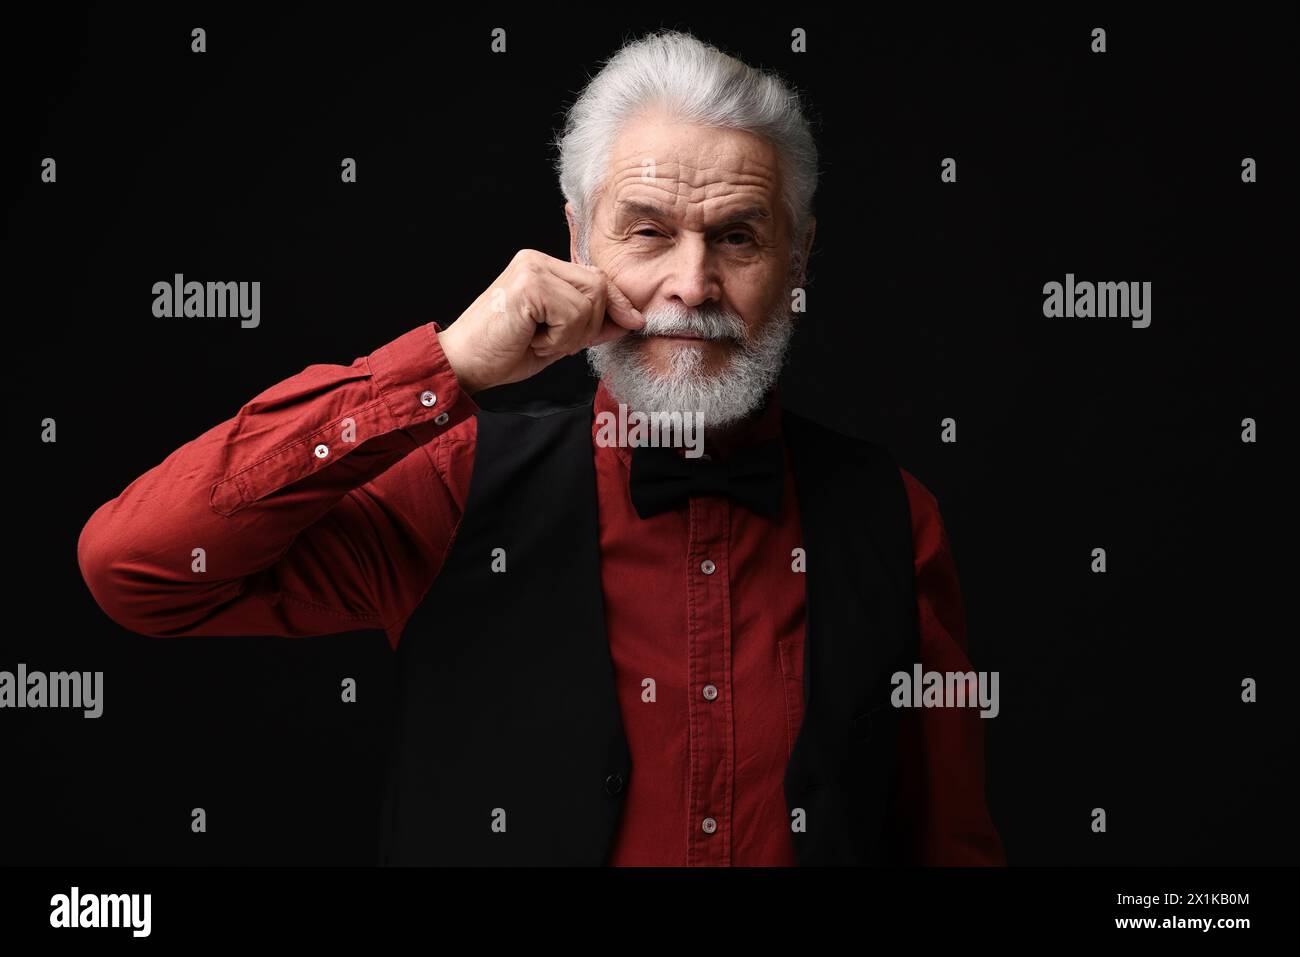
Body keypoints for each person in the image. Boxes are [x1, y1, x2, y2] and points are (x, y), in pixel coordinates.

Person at [78, 29, 1004, 866]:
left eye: (737, 237)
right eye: (647, 230)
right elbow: (137, 566)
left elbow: (952, 844)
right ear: (575, 239)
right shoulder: (452, 485)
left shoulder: (896, 517)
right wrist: (443, 367)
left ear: (797, 261)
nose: (692, 282)